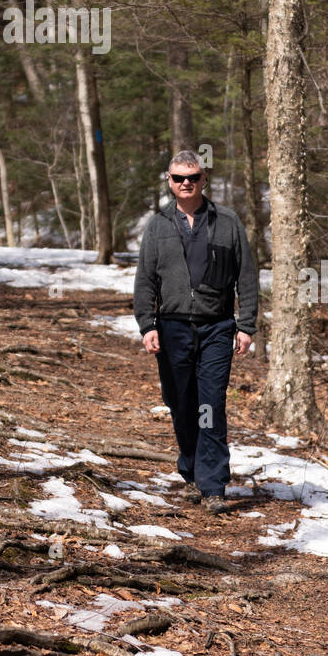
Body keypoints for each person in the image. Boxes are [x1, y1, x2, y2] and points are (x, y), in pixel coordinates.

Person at [133, 149, 258, 512]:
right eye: (178, 178)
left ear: (204, 179)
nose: (185, 183)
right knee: (181, 403)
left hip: (217, 328)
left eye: (192, 177)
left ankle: (213, 484)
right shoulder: (158, 226)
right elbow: (145, 280)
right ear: (169, 182)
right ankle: (190, 473)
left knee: (210, 404)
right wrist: (147, 325)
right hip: (172, 329)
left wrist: (246, 325)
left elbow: (246, 276)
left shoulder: (228, 222)